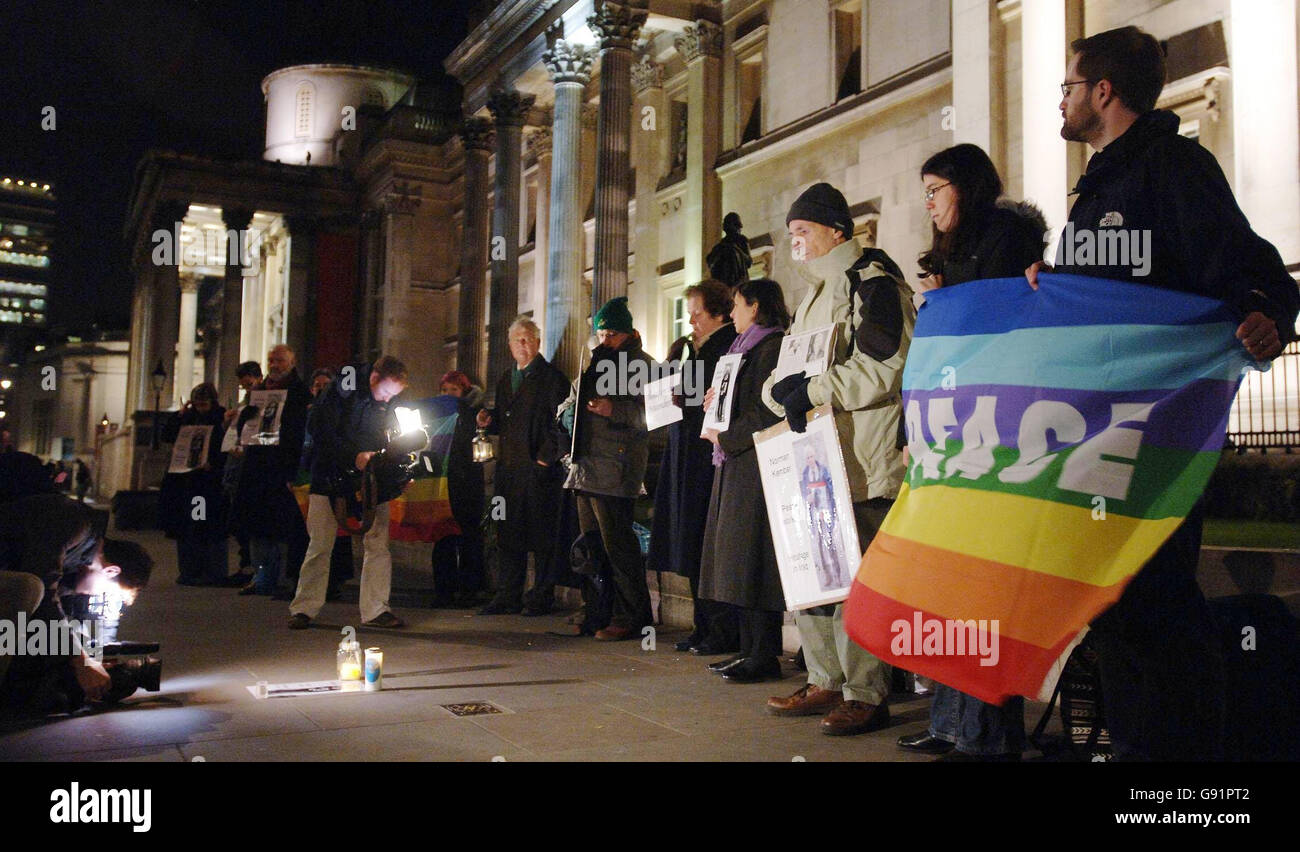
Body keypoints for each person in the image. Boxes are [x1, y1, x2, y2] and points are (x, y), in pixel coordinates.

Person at [1023, 26, 1299, 761]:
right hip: (1098, 437)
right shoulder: (1098, 189)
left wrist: (1266, 316)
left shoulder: (1176, 167)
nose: (1063, 99)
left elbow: (1251, 270)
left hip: (1159, 435)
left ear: (1102, 93)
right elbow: (1105, 302)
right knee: (1116, 610)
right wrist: (1048, 291)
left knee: (1158, 611)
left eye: (1069, 87)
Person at [895, 142, 1048, 761]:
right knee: (946, 581)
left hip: (994, 426)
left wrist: (945, 292)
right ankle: (949, 718)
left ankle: (985, 730)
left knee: (982, 585)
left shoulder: (1008, 235)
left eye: (936, 190)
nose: (928, 204)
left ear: (966, 185)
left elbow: (1000, 314)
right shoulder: (950, 254)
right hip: (948, 424)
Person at [762, 182, 915, 735]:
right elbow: (784, 377)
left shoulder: (872, 283)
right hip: (813, 458)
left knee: (857, 579)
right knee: (816, 574)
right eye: (791, 233)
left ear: (837, 231)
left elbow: (884, 367)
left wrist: (811, 392)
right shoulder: (809, 296)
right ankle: (825, 677)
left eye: (803, 231)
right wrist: (780, 395)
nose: (794, 242)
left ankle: (865, 693)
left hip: (862, 461)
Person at [697, 278, 791, 682]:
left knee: (753, 559)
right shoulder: (744, 349)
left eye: (737, 305)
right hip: (735, 461)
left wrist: (728, 435)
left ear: (755, 307)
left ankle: (763, 653)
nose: (732, 313)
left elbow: (769, 410)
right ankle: (749, 649)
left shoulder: (770, 348)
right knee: (738, 559)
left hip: (754, 462)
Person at [647, 280, 740, 655]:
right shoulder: (696, 350)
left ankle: (719, 629)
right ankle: (703, 627)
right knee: (689, 543)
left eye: (697, 312)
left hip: (705, 462)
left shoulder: (724, 349)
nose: (691, 320)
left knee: (704, 543)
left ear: (719, 313)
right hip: (684, 456)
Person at [0, 493, 153, 715]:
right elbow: (43, 590)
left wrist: (88, 653)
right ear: (111, 571)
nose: (96, 597)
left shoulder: (76, 559)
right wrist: (80, 660)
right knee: (30, 588)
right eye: (106, 592)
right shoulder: (73, 522)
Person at [288, 355, 411, 630]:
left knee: (378, 543)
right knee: (320, 543)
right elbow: (321, 429)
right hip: (330, 474)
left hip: (372, 477)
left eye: (395, 395)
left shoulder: (390, 401)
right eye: (387, 392)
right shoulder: (343, 387)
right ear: (374, 378)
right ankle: (304, 609)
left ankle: (376, 609)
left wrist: (398, 468)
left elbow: (395, 433)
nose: (388, 400)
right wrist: (353, 455)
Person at [559, 297, 653, 640]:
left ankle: (632, 616)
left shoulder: (643, 365)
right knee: (591, 546)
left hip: (617, 468)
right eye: (601, 333)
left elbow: (655, 417)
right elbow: (569, 400)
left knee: (619, 547)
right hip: (585, 466)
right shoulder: (595, 363)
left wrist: (615, 410)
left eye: (611, 333)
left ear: (628, 332)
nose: (605, 339)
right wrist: (566, 414)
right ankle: (596, 610)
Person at [475, 317, 571, 616]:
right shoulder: (506, 379)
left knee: (542, 536)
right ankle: (508, 594)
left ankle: (542, 596)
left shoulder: (552, 378)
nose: (523, 345)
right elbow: (507, 417)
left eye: (528, 339)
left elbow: (564, 423)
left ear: (538, 342)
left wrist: (544, 458)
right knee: (508, 534)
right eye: (517, 340)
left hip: (538, 470)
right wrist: (488, 417)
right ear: (509, 344)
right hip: (510, 470)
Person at [234, 345, 311, 597]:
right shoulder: (258, 391)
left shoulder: (300, 392)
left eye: (279, 360)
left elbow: (299, 433)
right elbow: (245, 427)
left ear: (292, 362)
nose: (274, 364)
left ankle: (287, 579)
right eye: (270, 360)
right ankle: (262, 577)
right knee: (258, 525)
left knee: (284, 526)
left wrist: (293, 471)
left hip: (282, 467)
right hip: (257, 465)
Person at [159, 383, 228, 586]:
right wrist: (179, 415)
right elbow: (168, 435)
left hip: (207, 484)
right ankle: (190, 570)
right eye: (197, 403)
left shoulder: (220, 419)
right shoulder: (186, 418)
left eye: (204, 403)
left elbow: (224, 445)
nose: (200, 406)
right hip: (186, 484)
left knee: (205, 525)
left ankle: (210, 571)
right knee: (189, 527)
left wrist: (213, 465)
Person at [294, 367, 353, 602]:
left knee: (336, 534)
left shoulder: (341, 412)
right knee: (313, 539)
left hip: (334, 477)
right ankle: (305, 598)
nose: (321, 389)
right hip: (312, 475)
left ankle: (334, 582)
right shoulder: (307, 412)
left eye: (326, 385)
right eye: (317, 385)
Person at [432, 369, 486, 608]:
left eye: (453, 390)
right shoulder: (436, 414)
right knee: (443, 538)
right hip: (443, 483)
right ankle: (444, 590)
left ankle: (468, 591)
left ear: (463, 390)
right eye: (444, 390)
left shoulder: (473, 413)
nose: (448, 395)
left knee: (468, 539)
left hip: (467, 482)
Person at [221, 360, 264, 586]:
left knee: (246, 517)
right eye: (244, 385)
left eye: (249, 382)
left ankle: (254, 568)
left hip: (250, 464)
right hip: (235, 463)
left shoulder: (263, 401)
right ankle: (246, 564)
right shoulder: (242, 404)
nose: (247, 388)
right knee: (236, 516)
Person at [706, 211, 754, 289]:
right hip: (725, 282)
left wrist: (736, 249)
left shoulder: (742, 240)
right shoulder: (721, 245)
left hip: (738, 281)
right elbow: (709, 261)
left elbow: (749, 262)